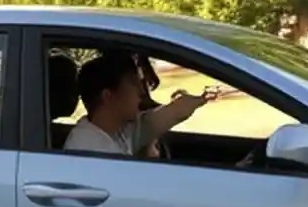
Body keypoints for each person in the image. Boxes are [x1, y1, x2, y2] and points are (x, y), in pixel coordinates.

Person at [64, 52, 215, 157]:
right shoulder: (90, 150)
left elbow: (172, 113)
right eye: (134, 85)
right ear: (108, 96)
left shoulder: (120, 131)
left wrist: (202, 98)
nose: (141, 93)